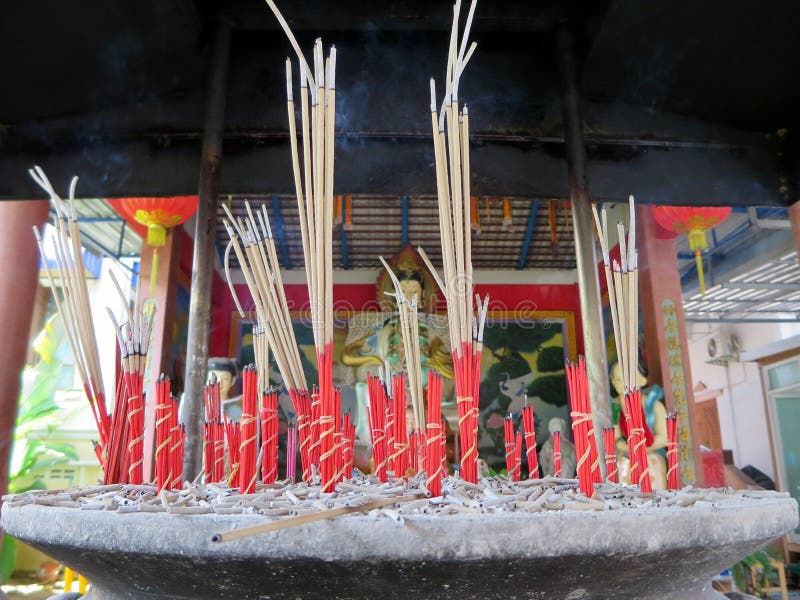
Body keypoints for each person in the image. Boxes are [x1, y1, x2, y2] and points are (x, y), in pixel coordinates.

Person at [609, 360, 668, 489]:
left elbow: (664, 438)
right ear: (612, 382)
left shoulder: (654, 406)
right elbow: (612, 439)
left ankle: (656, 502)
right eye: (618, 380)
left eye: (628, 379)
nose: (624, 384)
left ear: (642, 380)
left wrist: (640, 450)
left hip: (652, 452)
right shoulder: (612, 408)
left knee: (651, 462)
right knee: (622, 464)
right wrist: (623, 446)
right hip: (623, 454)